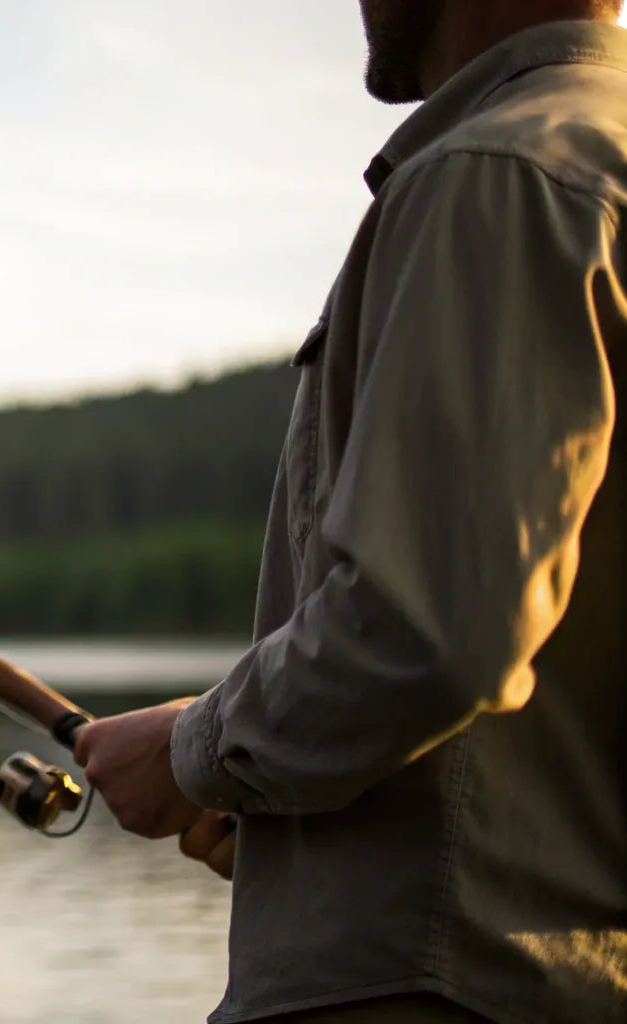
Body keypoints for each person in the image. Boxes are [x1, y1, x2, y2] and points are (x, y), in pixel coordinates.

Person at [71, 2, 627, 1022]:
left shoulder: (498, 171)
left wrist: (195, 753)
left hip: (430, 984)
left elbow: (432, 629)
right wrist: (280, 787)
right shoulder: (594, 157)